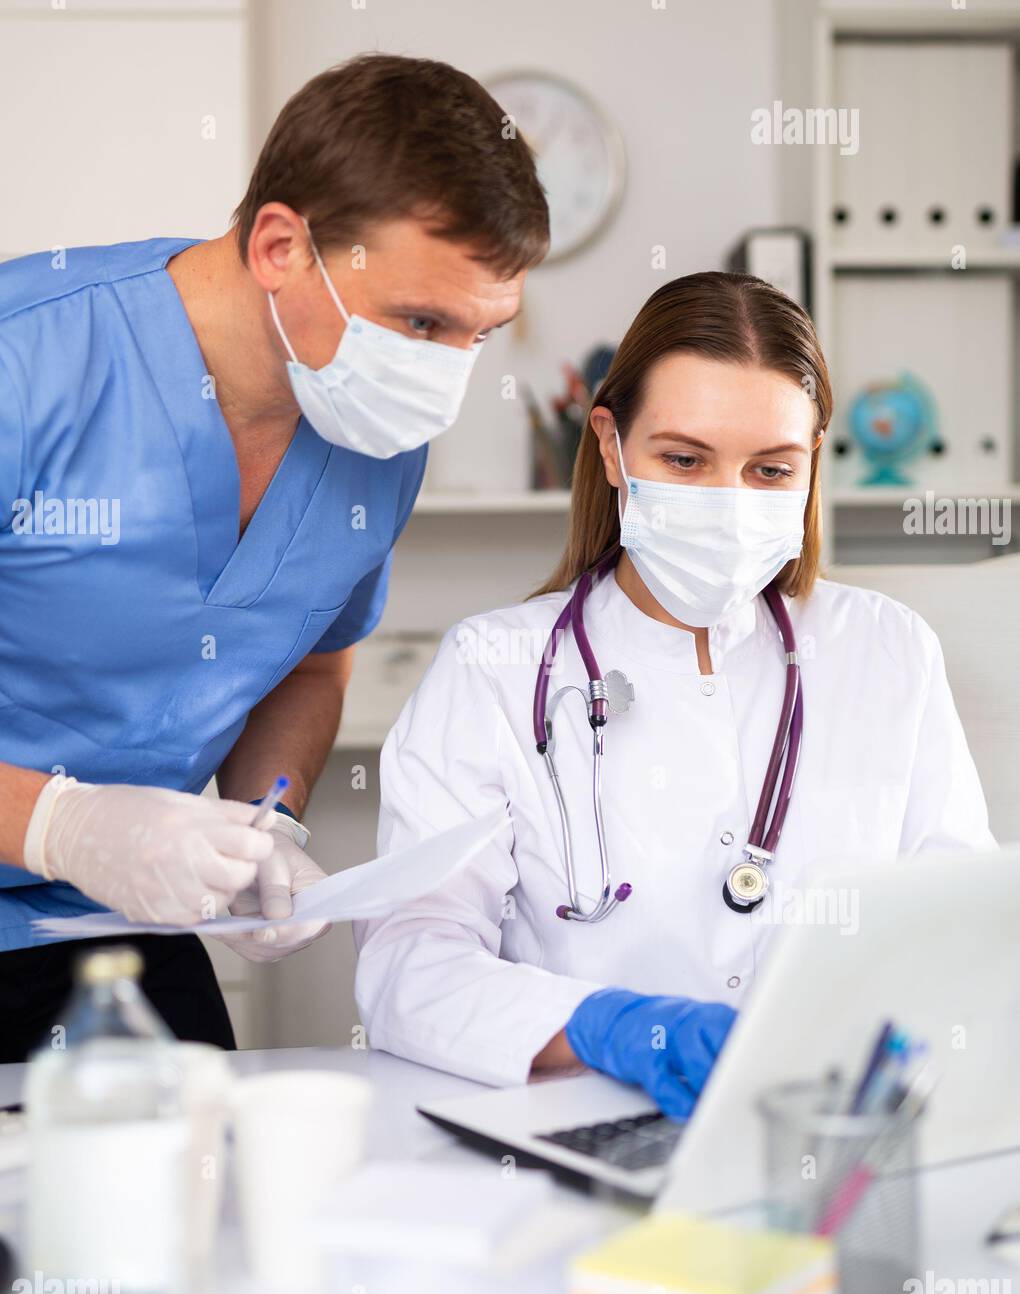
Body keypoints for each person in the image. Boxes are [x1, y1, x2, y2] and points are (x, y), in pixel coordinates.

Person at [0, 54, 549, 1060]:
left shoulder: (373, 437)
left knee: (207, 1201)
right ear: (281, 245)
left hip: (114, 931)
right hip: (76, 875)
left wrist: (270, 819)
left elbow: (308, 658)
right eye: (422, 322)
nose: (446, 375)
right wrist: (61, 826)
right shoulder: (24, 363)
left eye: (482, 334)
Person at [354, 271, 994, 1118]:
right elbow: (408, 962)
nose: (728, 505)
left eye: (770, 470)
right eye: (684, 460)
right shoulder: (495, 667)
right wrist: (601, 1025)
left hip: (820, 1129)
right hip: (569, 1118)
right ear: (614, 448)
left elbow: (963, 926)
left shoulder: (888, 651)